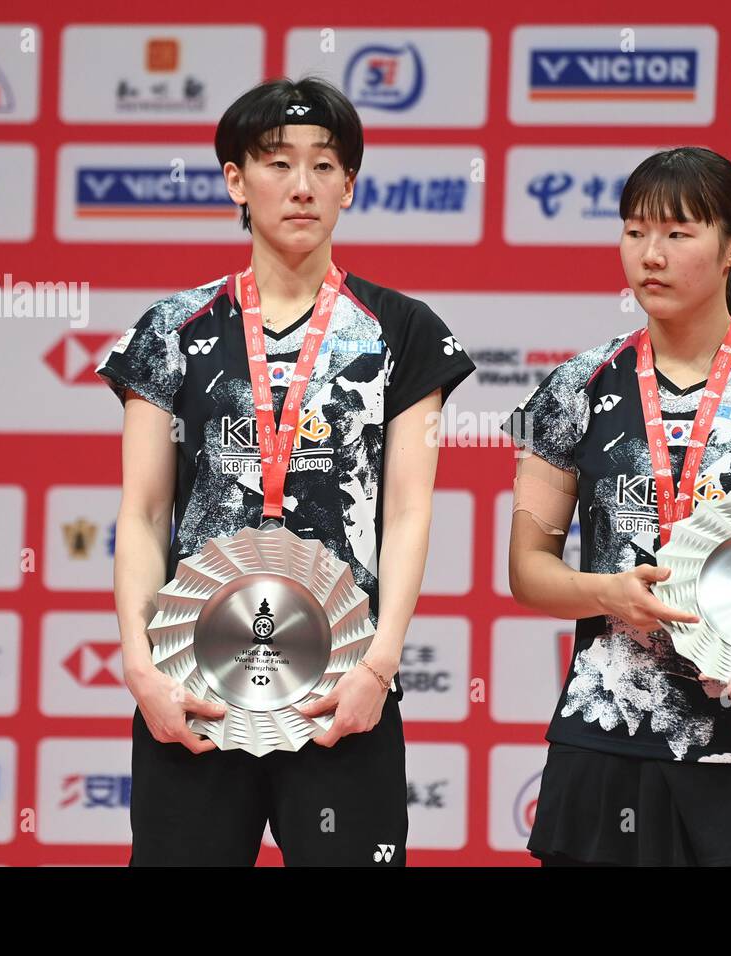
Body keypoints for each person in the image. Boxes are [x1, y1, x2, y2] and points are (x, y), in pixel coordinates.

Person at [96, 76, 475, 866]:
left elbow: (408, 512)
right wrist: (140, 668)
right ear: (236, 180)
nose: (302, 186)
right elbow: (143, 511)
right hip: (192, 690)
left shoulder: (403, 331)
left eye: (324, 166)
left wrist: (380, 667)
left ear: (349, 186)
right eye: (277, 163)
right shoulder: (171, 330)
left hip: (343, 693)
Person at [503, 146, 731, 866]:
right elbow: (528, 571)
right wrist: (606, 593)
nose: (651, 255)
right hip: (604, 736)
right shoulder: (575, 388)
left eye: (678, 233)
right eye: (635, 231)